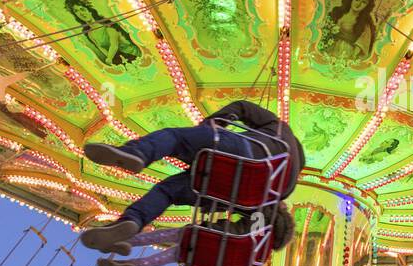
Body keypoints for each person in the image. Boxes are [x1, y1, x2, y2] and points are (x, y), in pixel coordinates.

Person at [81, 100, 305, 250]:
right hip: (220, 189)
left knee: (174, 138)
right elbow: (237, 229)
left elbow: (242, 108)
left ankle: (137, 153)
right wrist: (209, 230)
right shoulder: (280, 192)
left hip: (233, 152)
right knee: (167, 192)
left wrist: (215, 123)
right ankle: (132, 221)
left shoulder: (281, 129)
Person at [96, 208, 295, 266]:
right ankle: (134, 265)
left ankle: (125, 240)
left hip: (213, 235)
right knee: (172, 255)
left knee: (166, 236)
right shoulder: (263, 252)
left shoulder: (264, 215)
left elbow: (242, 209)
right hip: (211, 259)